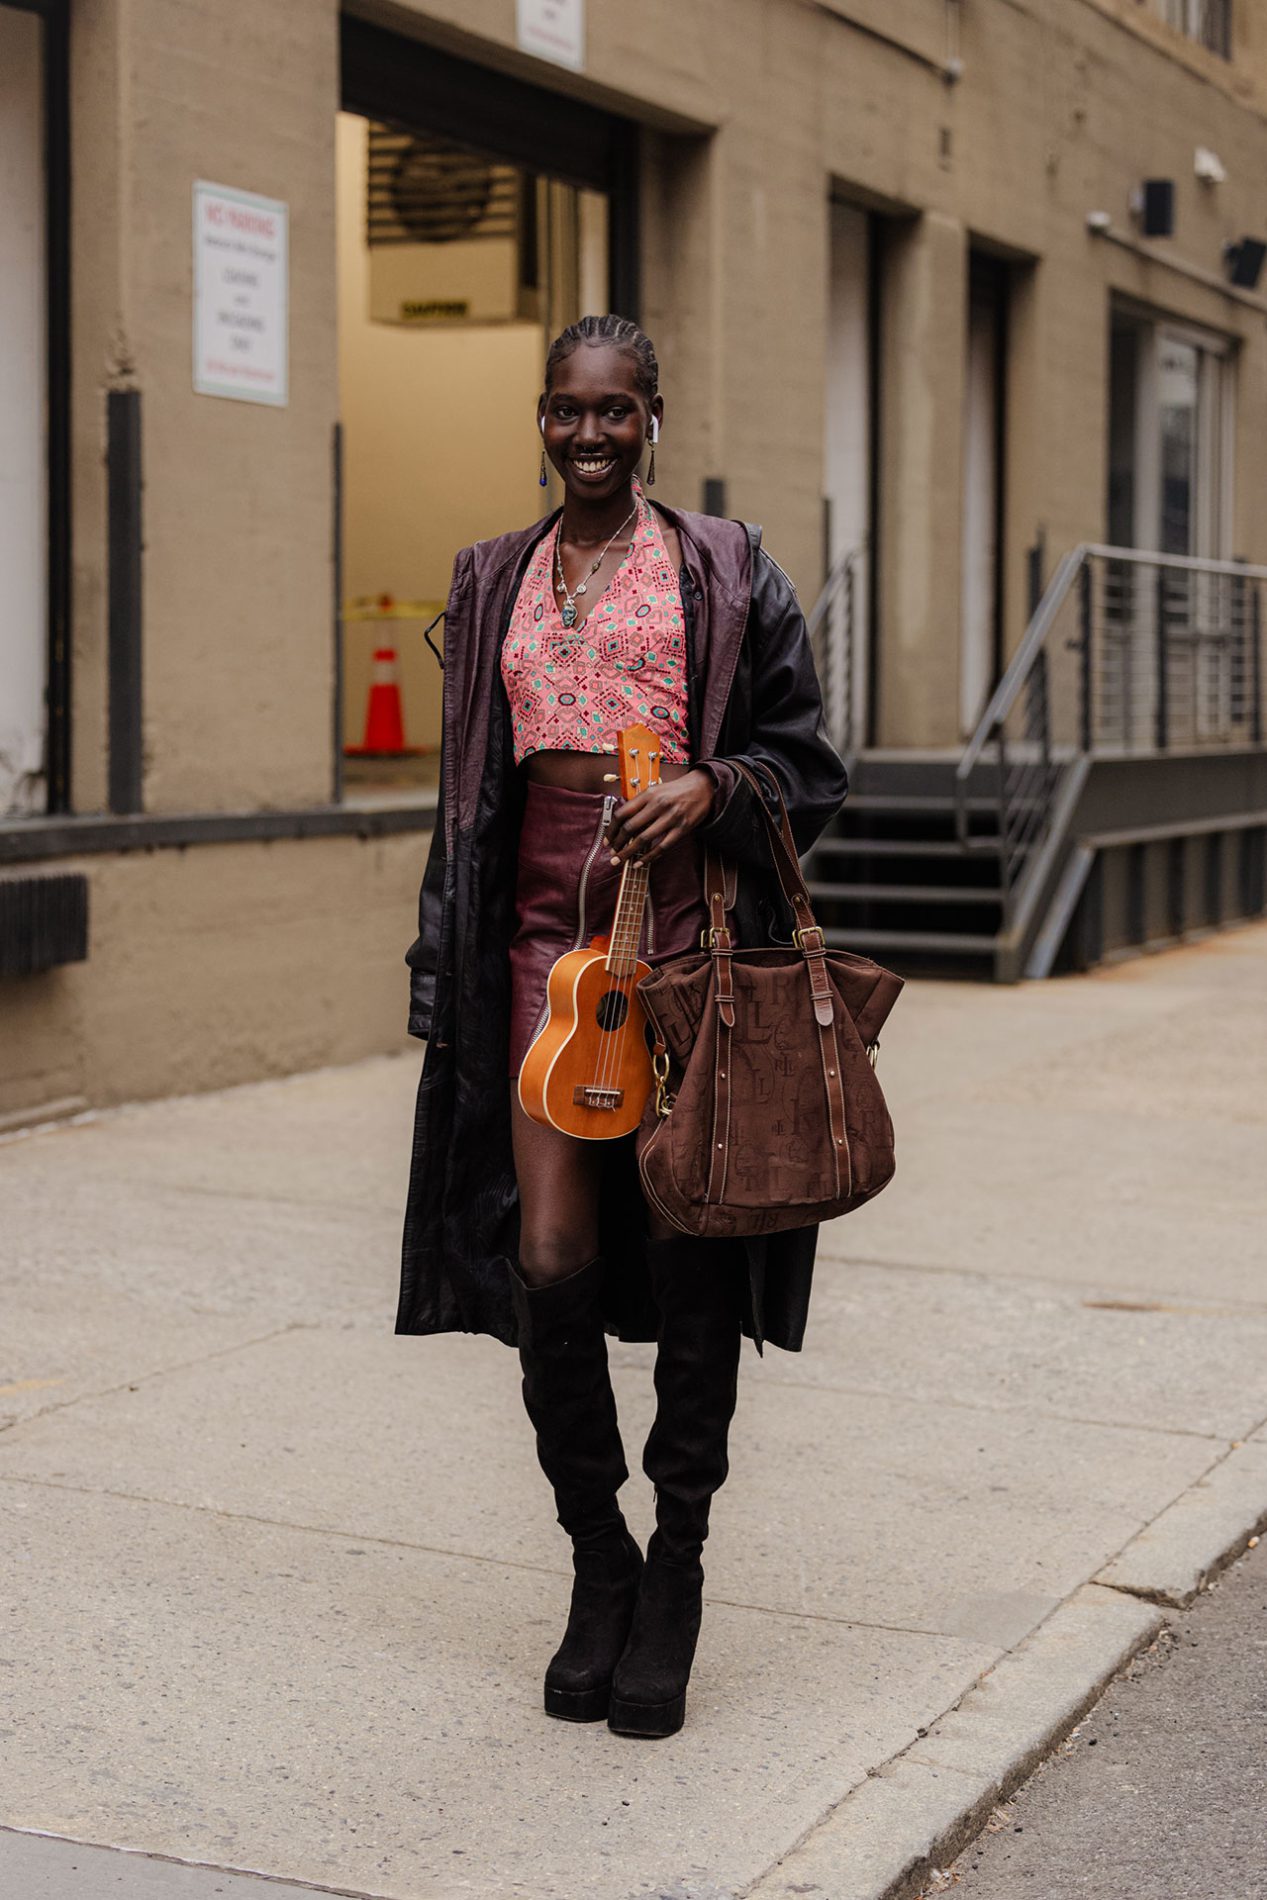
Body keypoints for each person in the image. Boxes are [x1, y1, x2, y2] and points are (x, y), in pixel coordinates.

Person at [398, 314, 848, 1739]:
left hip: (689, 942)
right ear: (542, 420)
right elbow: (472, 789)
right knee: (549, 1249)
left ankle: (683, 1571)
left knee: (694, 1240)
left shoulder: (725, 564)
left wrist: (717, 790)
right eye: (565, 412)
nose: (589, 435)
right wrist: (441, 964)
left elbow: (809, 755)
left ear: (654, 417)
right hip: (538, 939)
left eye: (616, 412)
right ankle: (602, 1563)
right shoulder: (493, 578)